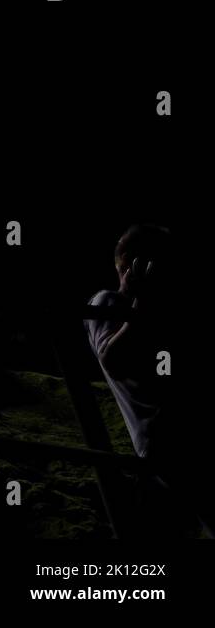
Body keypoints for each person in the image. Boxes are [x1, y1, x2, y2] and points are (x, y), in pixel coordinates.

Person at [85, 224, 209, 535]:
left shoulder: (168, 305)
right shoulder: (107, 300)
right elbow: (112, 358)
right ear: (128, 264)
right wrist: (139, 299)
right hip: (165, 440)